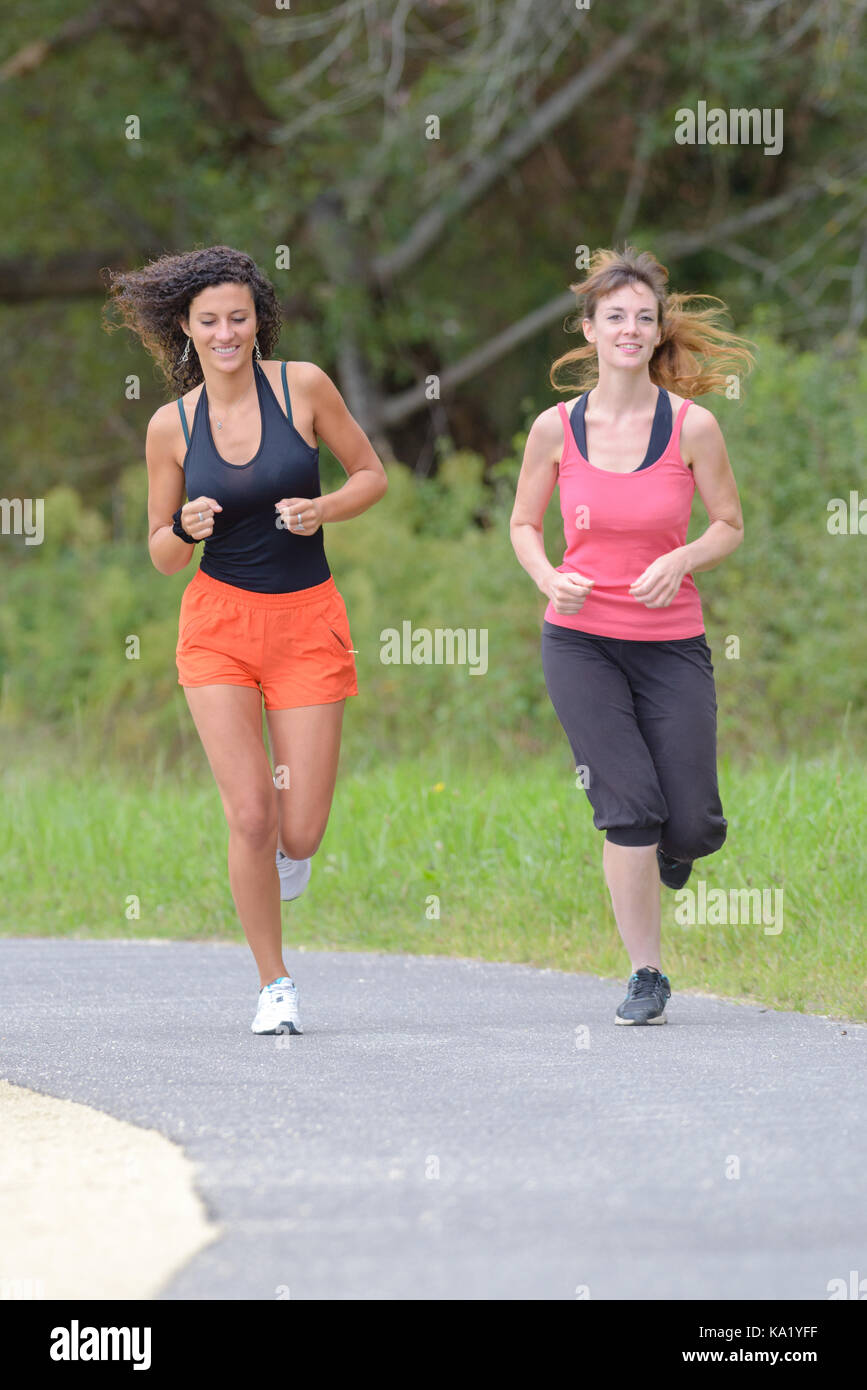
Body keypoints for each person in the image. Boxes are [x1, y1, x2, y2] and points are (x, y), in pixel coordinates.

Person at [104, 245, 387, 1035]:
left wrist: (323, 509)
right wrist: (183, 528)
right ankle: (275, 985)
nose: (226, 332)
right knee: (252, 817)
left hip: (307, 624)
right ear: (184, 333)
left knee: (299, 831)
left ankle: (282, 860)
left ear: (257, 319)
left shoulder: (303, 387)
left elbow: (370, 474)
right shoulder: (171, 426)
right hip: (219, 629)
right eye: (209, 322)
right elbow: (160, 554)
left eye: (238, 317)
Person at [510, 245, 754, 1025]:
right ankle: (645, 973)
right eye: (613, 316)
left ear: (655, 334)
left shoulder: (693, 426)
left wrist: (681, 556)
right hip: (580, 641)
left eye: (642, 317)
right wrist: (549, 577)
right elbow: (521, 523)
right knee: (630, 811)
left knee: (692, 824)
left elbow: (728, 525)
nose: (628, 328)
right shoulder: (554, 429)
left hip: (671, 642)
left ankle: (677, 848)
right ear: (588, 330)